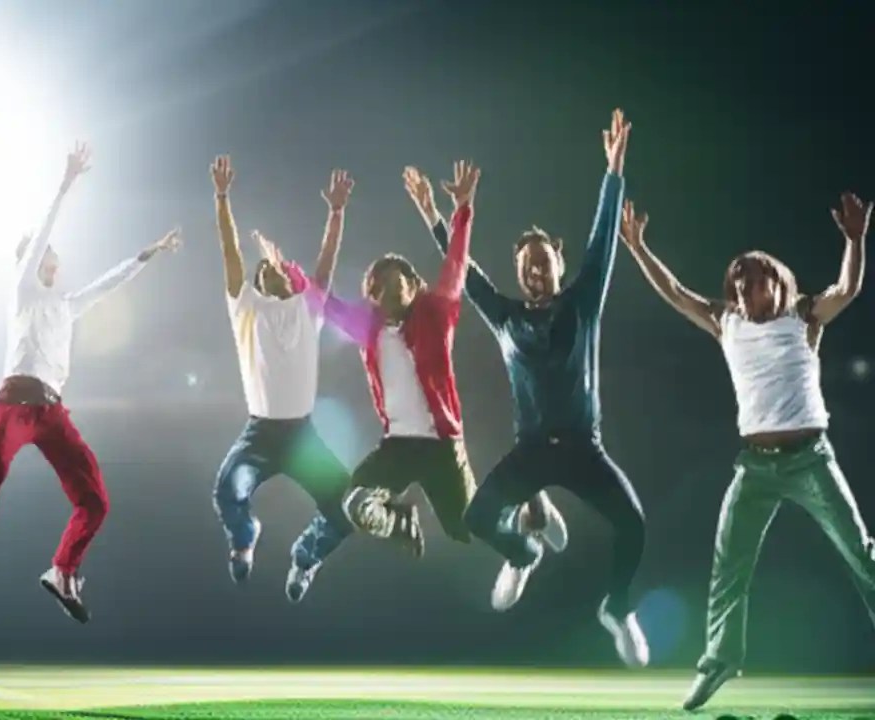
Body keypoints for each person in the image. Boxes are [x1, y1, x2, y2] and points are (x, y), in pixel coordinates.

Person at [620, 193, 874, 710]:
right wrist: (638, 248)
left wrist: (854, 238)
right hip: (755, 468)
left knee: (858, 551)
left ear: (777, 283)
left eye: (754, 279)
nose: (743, 287)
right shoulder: (726, 323)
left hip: (811, 460)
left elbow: (847, 288)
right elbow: (675, 294)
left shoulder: (804, 317)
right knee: (728, 566)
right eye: (738, 281)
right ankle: (718, 663)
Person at [0, 144, 182, 623]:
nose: (53, 260)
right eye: (45, 255)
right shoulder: (22, 291)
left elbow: (109, 284)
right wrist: (66, 184)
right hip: (14, 403)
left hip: (52, 412)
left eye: (52, 257)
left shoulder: (65, 305)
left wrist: (150, 253)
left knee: (96, 501)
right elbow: (43, 232)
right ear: (32, 261)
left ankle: (63, 571)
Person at [435, 110, 646, 667]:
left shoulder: (582, 303)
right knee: (478, 519)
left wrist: (614, 170)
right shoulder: (504, 317)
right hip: (530, 452)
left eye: (542, 262)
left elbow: (604, 240)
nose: (534, 272)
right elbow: (465, 273)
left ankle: (617, 609)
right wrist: (441, 214)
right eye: (525, 266)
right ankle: (525, 551)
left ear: (559, 261)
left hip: (584, 449)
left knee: (634, 526)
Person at [319, 160, 486, 559]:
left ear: (415, 287)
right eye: (379, 286)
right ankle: (401, 522)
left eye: (398, 282)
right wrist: (335, 216)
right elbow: (319, 297)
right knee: (354, 503)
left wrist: (462, 210)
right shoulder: (367, 329)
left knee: (466, 530)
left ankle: (527, 508)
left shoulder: (436, 313)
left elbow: (457, 264)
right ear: (372, 296)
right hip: (397, 446)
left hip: (442, 446)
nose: (389, 291)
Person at [209, 155, 358, 602]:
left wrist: (336, 212)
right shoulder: (247, 308)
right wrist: (221, 199)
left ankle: (306, 556)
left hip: (302, 435)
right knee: (226, 492)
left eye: (276, 268)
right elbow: (231, 254)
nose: (270, 269)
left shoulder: (306, 306)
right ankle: (245, 535)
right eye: (263, 271)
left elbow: (327, 262)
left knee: (347, 509)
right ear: (255, 284)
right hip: (260, 434)